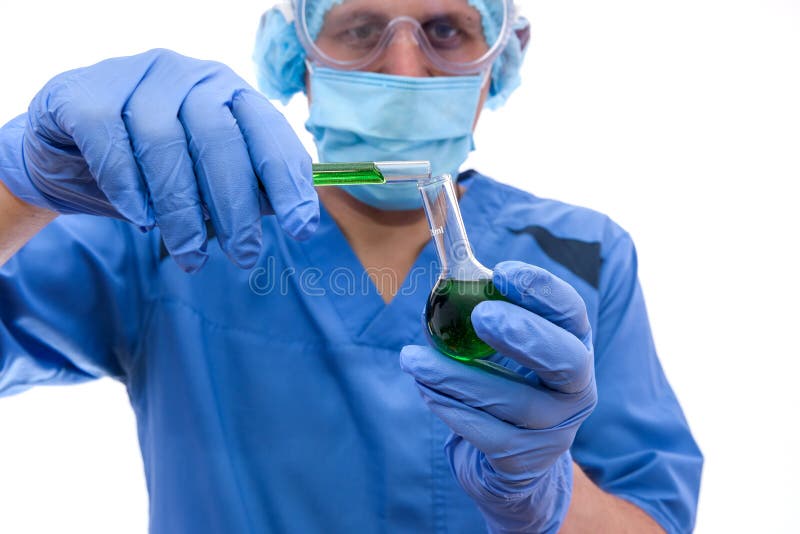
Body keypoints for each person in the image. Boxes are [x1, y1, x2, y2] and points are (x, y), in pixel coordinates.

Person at [0, 1, 702, 532]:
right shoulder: (168, 232)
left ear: (496, 62)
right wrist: (19, 185)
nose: (404, 69)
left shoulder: (581, 254)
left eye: (447, 31)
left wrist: (544, 487)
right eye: (361, 26)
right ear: (296, 55)